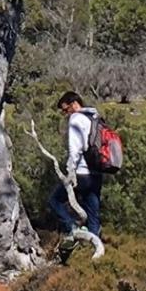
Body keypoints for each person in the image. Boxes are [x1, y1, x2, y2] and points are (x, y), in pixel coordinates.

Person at [48, 90, 102, 241]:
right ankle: (93, 248)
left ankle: (73, 230)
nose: (65, 114)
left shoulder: (76, 118)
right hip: (96, 172)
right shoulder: (94, 117)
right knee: (93, 214)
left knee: (54, 201)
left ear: (74, 104)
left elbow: (75, 148)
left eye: (66, 110)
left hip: (81, 172)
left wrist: (70, 169)